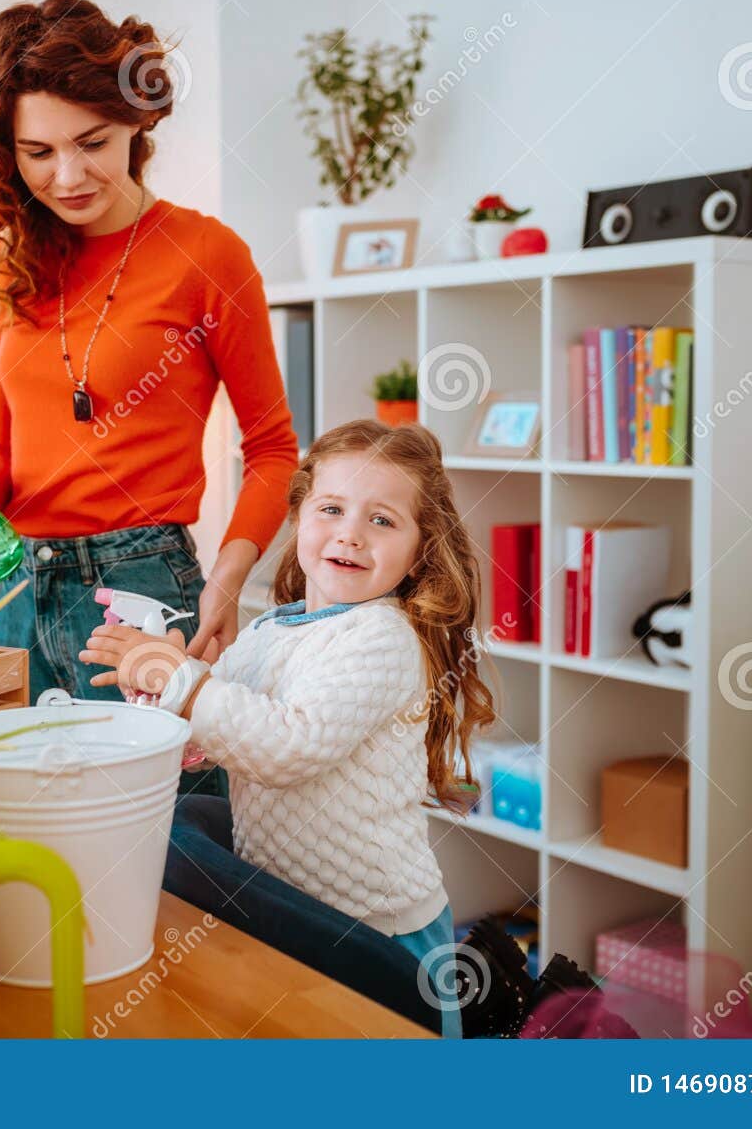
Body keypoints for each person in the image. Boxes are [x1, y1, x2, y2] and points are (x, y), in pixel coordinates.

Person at [0, 0, 298, 801]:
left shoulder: (206, 253)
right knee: (18, 821)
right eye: (38, 151)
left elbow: (273, 448)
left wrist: (227, 583)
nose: (68, 175)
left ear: (137, 121)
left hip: (143, 591)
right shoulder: (5, 266)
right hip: (18, 589)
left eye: (92, 142)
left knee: (170, 845)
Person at [81, 420, 499, 1036]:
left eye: (382, 520)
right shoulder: (270, 628)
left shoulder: (382, 638)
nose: (351, 534)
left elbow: (288, 746)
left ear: (420, 549)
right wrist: (163, 697)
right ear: (300, 516)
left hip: (380, 929)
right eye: (331, 508)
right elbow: (227, 740)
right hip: (297, 910)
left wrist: (185, 683)